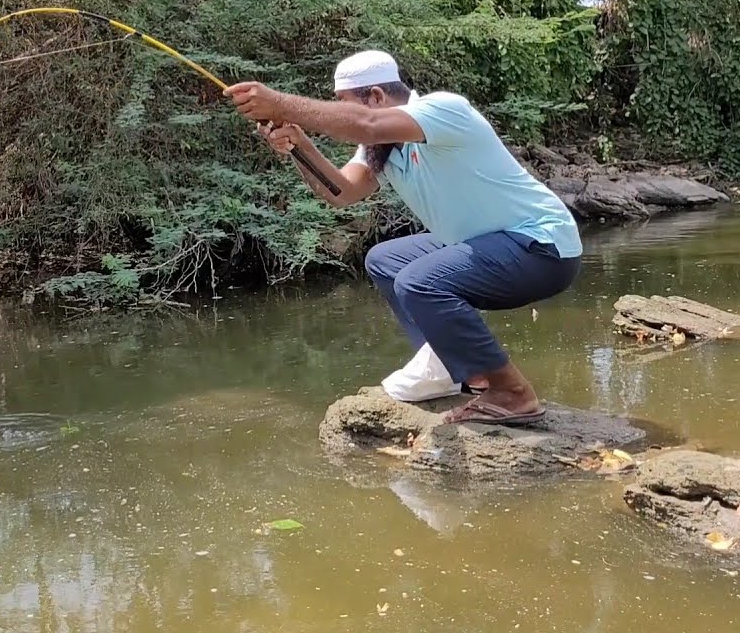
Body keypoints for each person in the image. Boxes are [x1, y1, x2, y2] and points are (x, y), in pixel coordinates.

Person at [223, 50, 582, 425]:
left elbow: (365, 125)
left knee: (419, 282)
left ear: (377, 97)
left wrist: (281, 104)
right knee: (386, 261)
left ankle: (512, 393)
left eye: (343, 104)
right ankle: (458, 367)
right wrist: (299, 147)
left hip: (542, 245)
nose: (341, 113)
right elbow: (341, 192)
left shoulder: (443, 109)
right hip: (489, 243)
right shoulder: (380, 146)